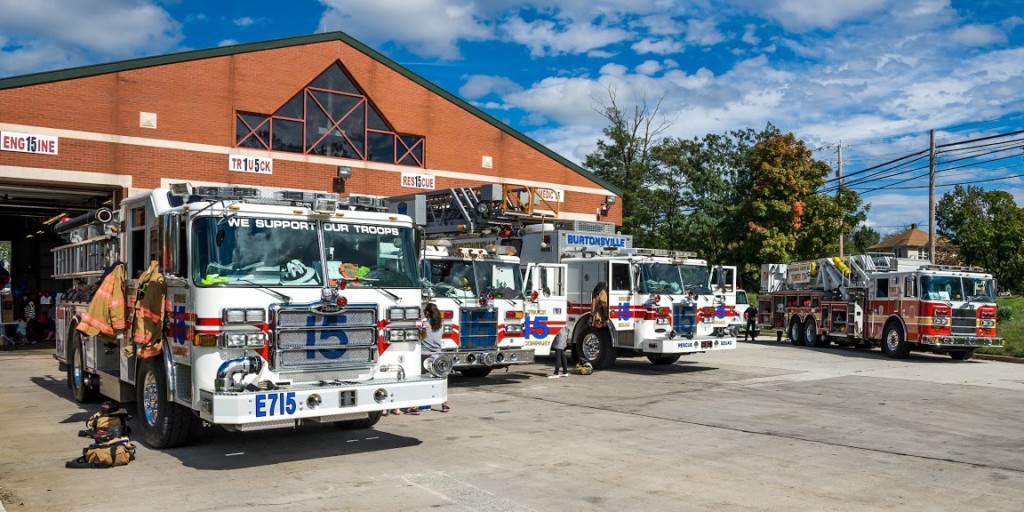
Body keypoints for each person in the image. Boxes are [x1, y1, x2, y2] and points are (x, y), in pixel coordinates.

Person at [408, 303, 449, 414]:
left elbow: (421, 337)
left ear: (426, 312)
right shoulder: (441, 324)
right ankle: (445, 405)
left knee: (419, 380)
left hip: (424, 355)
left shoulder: (424, 324)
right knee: (441, 379)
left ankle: (415, 407)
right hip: (438, 355)